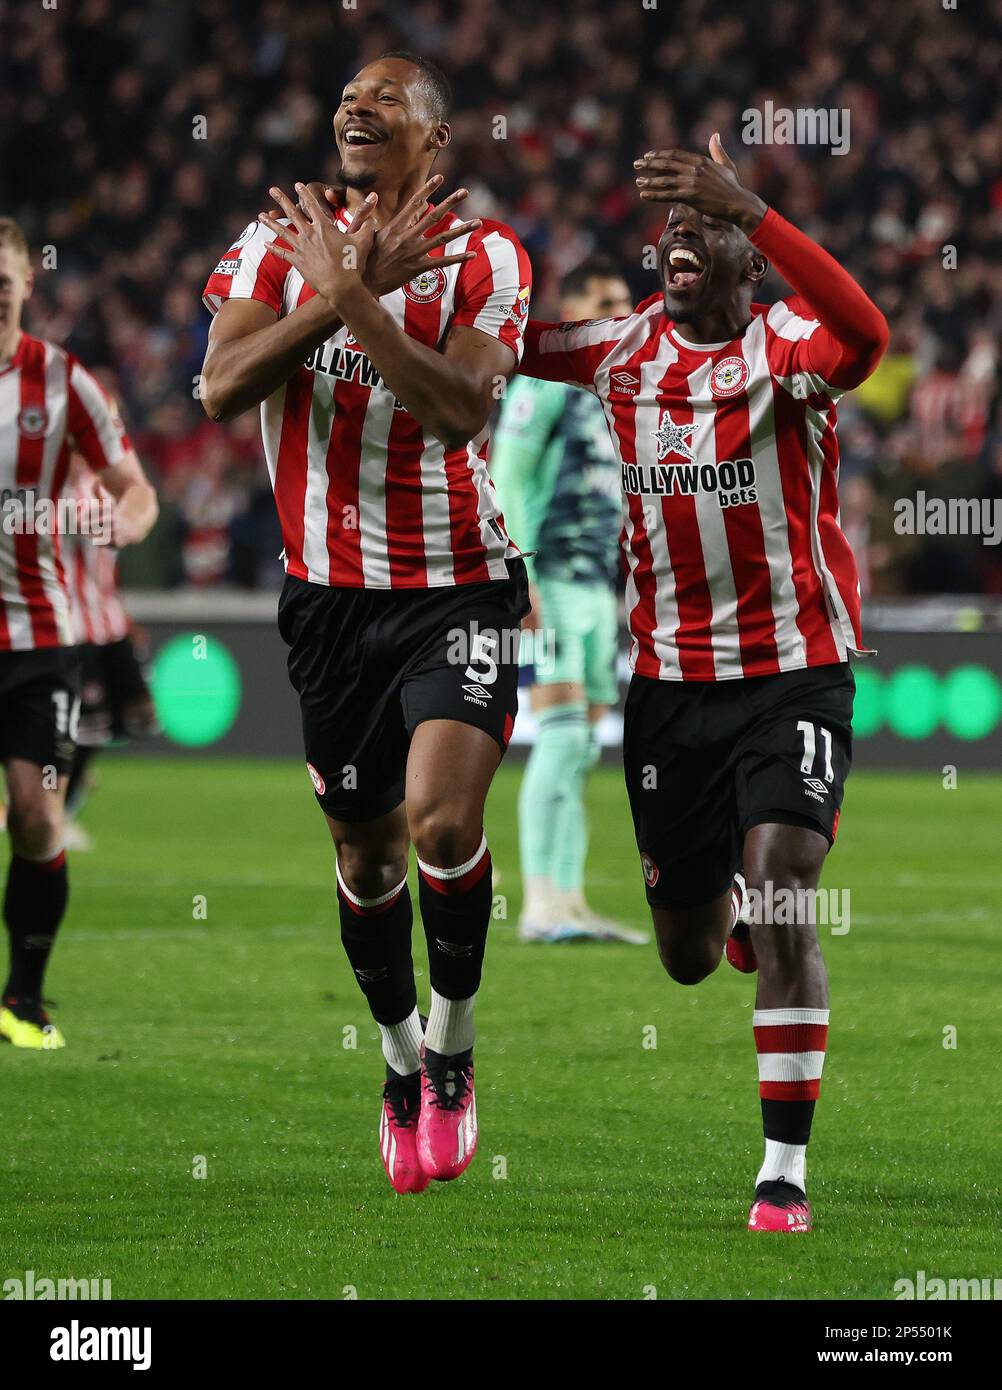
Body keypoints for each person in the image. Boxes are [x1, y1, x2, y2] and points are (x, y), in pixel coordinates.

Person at [518, 137, 889, 1231]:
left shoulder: (790, 351)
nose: (678, 239)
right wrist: (379, 289)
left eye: (705, 227)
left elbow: (869, 332)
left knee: (783, 891)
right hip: (670, 689)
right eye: (669, 230)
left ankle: (783, 1170)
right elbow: (515, 345)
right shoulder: (621, 350)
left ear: (748, 259)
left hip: (796, 675)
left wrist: (755, 204)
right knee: (686, 955)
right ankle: (715, 897)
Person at [200, 53, 532, 1194]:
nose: (355, 106)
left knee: (442, 824)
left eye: (385, 98)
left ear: (433, 140)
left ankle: (454, 1047)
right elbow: (221, 383)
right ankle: (396, 1063)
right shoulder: (271, 243)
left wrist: (353, 302)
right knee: (367, 850)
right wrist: (329, 288)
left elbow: (458, 410)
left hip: (459, 585)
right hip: (330, 602)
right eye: (347, 96)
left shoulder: (490, 258)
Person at [0, 216, 158, 1048]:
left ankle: (22, 1000)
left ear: (28, 281)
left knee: (36, 816)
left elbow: (136, 489)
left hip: (38, 638)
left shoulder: (65, 383)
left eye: (5, 275)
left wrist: (126, 522)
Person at [491, 256, 646, 945]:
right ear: (575, 304)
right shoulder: (543, 381)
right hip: (548, 579)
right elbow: (509, 471)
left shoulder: (610, 385)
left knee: (581, 745)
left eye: (626, 301)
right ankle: (539, 903)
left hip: (594, 588)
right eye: (607, 300)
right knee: (557, 739)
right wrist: (520, 577)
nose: (622, 314)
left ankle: (571, 897)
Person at [61, 458, 159, 852]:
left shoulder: (109, 490)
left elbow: (108, 567)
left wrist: (125, 617)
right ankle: (59, 807)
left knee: (137, 714)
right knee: (86, 725)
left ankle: (70, 789)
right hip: (74, 627)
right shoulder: (53, 490)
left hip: (108, 623)